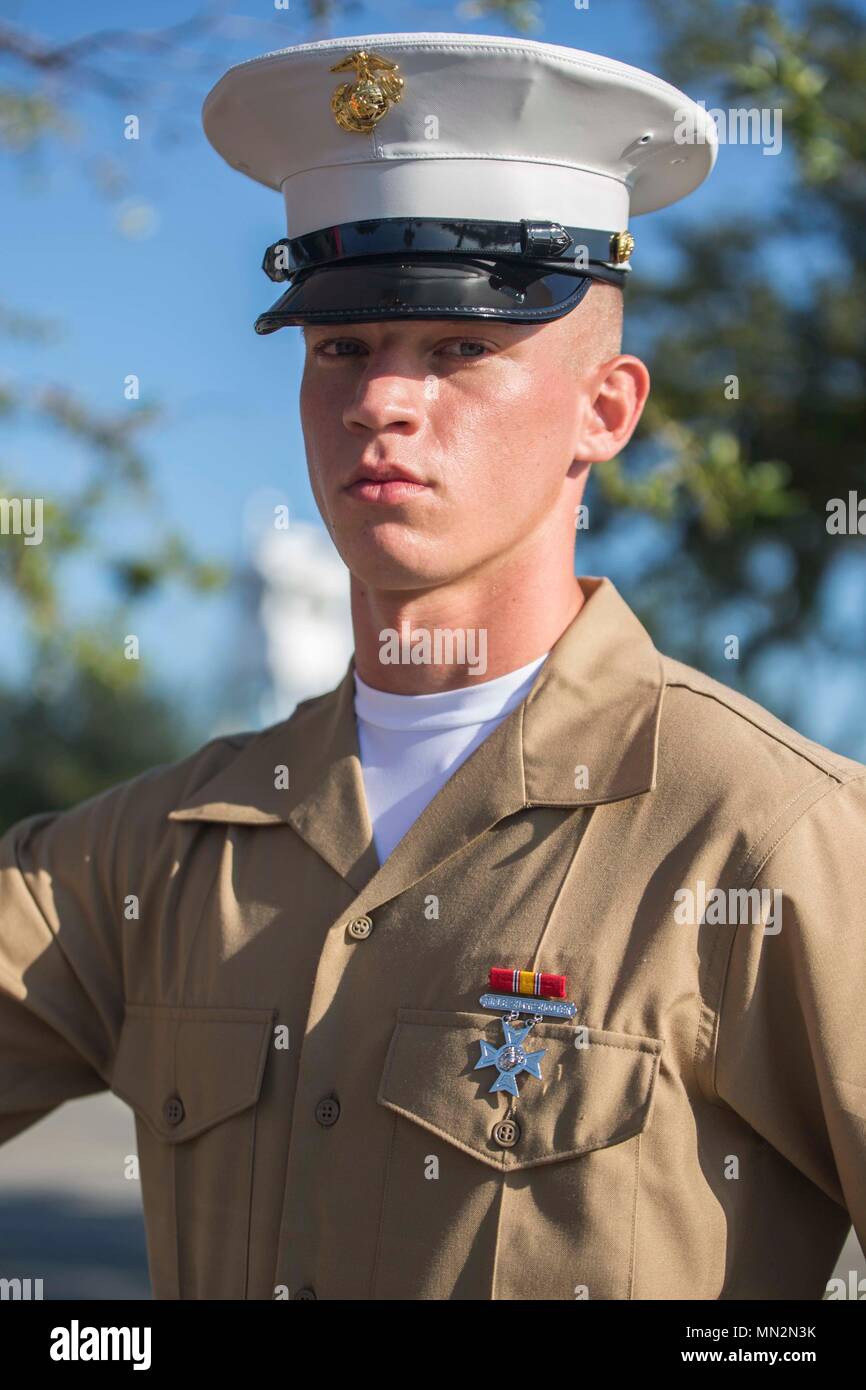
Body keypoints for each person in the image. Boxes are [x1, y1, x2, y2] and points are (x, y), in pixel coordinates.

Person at [1, 30, 864, 1302]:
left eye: (458, 350)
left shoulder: (765, 835)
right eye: (339, 349)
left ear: (604, 411)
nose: (381, 402)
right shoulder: (158, 852)